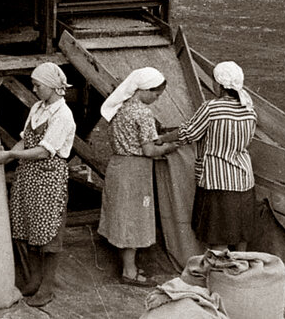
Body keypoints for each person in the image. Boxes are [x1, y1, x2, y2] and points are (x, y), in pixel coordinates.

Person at [0, 61, 76, 307]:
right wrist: (8, 155)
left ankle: (47, 287)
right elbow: (25, 141)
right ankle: (34, 280)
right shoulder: (38, 107)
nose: (35, 89)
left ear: (50, 86)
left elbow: (43, 151)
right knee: (29, 229)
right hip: (28, 176)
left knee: (48, 234)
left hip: (48, 177)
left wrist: (11, 156)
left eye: (38, 85)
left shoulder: (63, 115)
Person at [158, 60, 258, 251]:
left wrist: (163, 138)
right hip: (244, 181)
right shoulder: (249, 110)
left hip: (217, 181)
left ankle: (219, 276)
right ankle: (237, 275)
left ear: (219, 85)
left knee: (218, 237)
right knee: (240, 235)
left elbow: (188, 133)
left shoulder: (211, 108)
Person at [97, 66, 180, 287]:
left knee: (123, 215)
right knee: (133, 218)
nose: (156, 98)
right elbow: (149, 151)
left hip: (118, 166)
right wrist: (171, 146)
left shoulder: (120, 108)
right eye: (155, 94)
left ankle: (128, 265)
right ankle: (129, 270)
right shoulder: (143, 112)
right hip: (134, 170)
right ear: (145, 89)